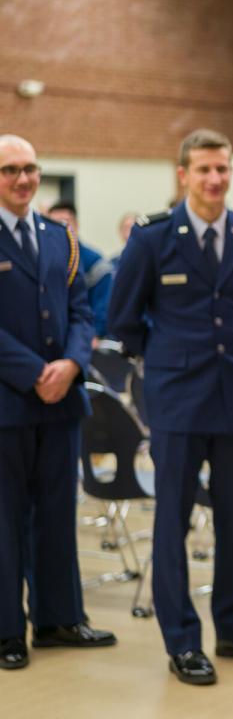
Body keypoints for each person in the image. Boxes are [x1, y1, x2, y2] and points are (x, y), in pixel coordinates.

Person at [108, 128, 233, 687]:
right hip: (178, 401)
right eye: (204, 169)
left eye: (223, 169)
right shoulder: (153, 237)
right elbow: (123, 319)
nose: (214, 179)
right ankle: (183, 640)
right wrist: (167, 361)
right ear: (182, 173)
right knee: (173, 523)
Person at [0, 135, 116, 672]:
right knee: (4, 522)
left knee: (56, 514)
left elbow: (82, 311)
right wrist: (32, 373)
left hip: (61, 401)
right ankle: (6, 630)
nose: (22, 179)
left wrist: (70, 365)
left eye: (30, 169)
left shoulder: (58, 236)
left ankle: (58, 618)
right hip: (7, 402)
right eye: (9, 170)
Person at [47, 201, 113, 339]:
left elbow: (103, 307)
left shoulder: (95, 262)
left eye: (64, 223)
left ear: (76, 225)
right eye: (53, 224)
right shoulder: (43, 260)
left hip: (88, 339)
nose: (59, 230)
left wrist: (94, 335)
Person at [110, 211, 138, 279]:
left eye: (133, 228)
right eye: (126, 228)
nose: (129, 233)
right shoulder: (111, 264)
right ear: (120, 231)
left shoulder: (150, 262)